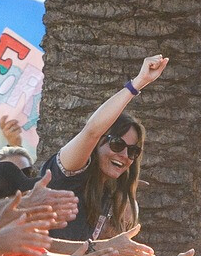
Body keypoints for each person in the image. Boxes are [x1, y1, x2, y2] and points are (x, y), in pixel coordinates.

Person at [44, 54, 167, 242]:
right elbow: (91, 131)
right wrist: (137, 83)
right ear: (98, 142)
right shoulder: (70, 171)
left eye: (133, 151)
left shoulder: (112, 196)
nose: (125, 155)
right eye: (117, 144)